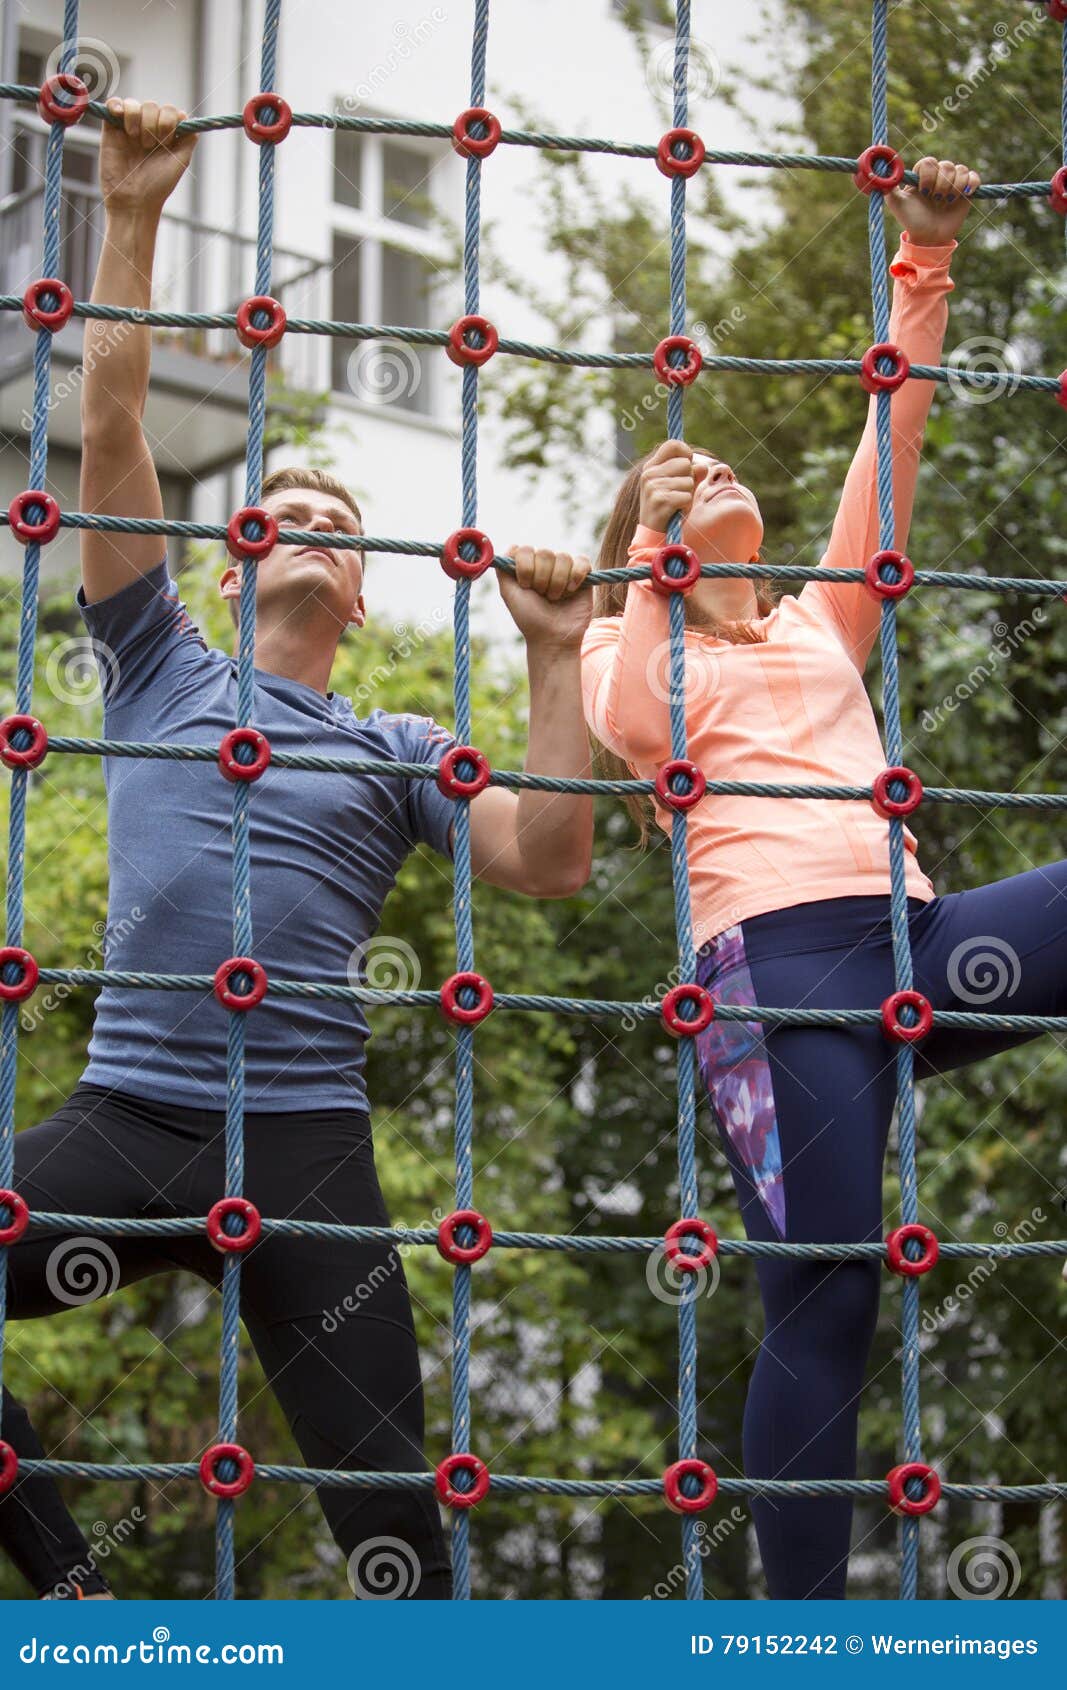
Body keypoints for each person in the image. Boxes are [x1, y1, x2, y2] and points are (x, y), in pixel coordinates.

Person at [0, 100, 594, 1599]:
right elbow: (116, 421)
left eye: (343, 515)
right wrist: (130, 211)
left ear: (363, 588)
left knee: (397, 1523)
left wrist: (556, 654)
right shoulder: (159, 662)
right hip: (134, 1115)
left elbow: (546, 857)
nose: (319, 519)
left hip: (309, 1147)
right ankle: (70, 1589)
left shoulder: (396, 744)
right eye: (290, 504)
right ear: (232, 550)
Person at [580, 155, 1064, 1599]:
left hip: (915, 947)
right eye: (680, 478)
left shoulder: (814, 621)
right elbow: (627, 721)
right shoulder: (635, 649)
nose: (712, 467)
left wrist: (926, 261)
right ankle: (800, 1633)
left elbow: (889, 450)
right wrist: (640, 557)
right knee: (831, 1286)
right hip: (774, 980)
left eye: (722, 465)